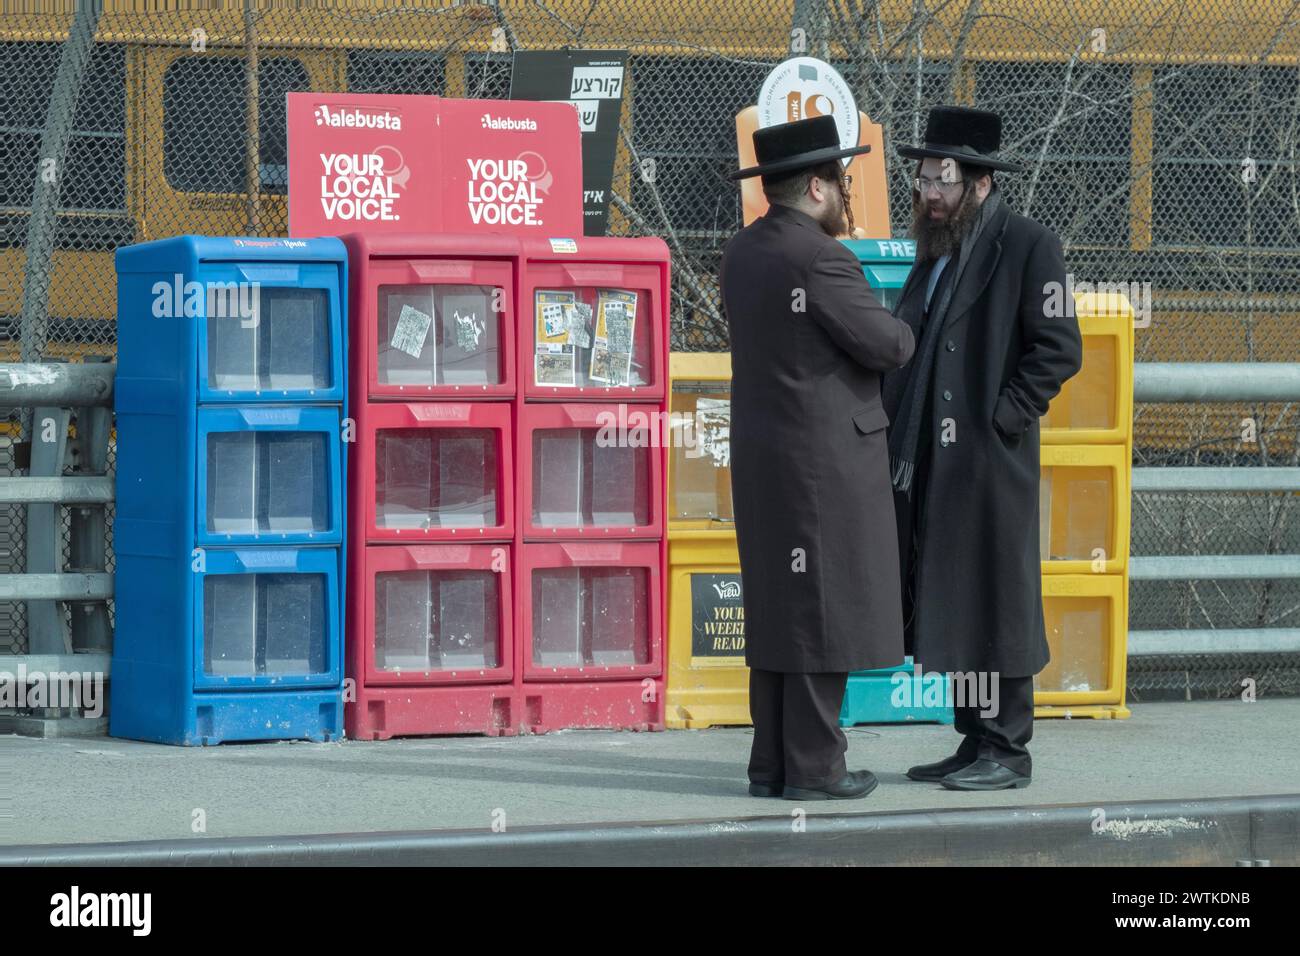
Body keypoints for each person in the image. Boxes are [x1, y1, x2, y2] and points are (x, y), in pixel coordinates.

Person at [883, 106, 1083, 791]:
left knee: (997, 597)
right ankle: (975, 739)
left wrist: (1003, 420)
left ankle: (1008, 748)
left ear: (979, 183)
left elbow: (1059, 349)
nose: (927, 193)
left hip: (992, 460)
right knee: (959, 597)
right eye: (922, 178)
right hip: (939, 460)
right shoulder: (936, 252)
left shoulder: (1031, 246)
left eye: (940, 179)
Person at [721, 115, 916, 800]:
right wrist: (904, 325)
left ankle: (771, 764)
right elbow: (888, 345)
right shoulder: (822, 260)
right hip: (823, 465)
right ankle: (815, 766)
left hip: (763, 460)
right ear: (815, 185)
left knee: (780, 606)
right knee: (820, 609)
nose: (844, 191)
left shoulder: (743, 251)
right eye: (839, 178)